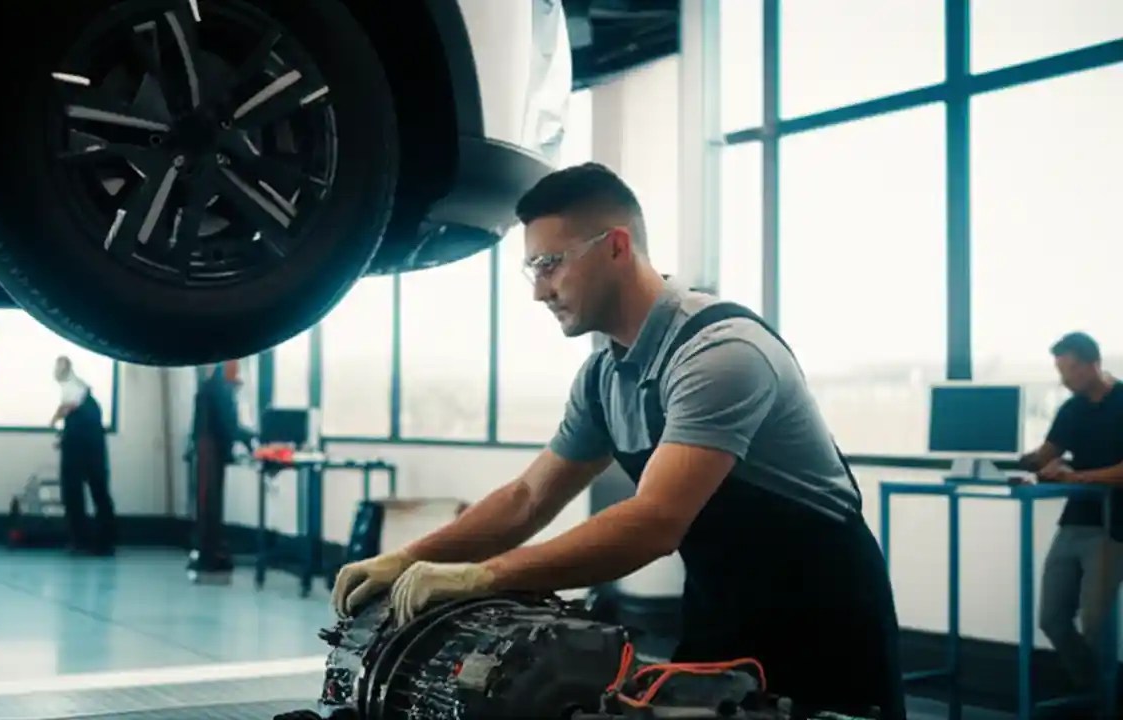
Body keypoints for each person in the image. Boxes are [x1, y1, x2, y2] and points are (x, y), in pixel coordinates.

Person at [331, 163, 906, 719]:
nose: (539, 291)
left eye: (550, 264)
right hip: (718, 611)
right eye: (531, 268)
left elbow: (655, 522)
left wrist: (482, 575)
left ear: (616, 247)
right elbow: (529, 499)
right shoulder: (604, 376)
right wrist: (409, 557)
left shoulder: (720, 354)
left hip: (825, 621)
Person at [1021, 332, 1123, 691]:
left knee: (1095, 622)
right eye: (1059, 371)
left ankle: (1108, 698)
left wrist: (1075, 474)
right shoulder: (1072, 408)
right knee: (1052, 619)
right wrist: (1020, 461)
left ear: (1093, 364)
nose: (1063, 380)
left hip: (1112, 525)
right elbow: (1046, 454)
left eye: (1069, 370)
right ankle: (1097, 693)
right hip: (1074, 522)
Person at [189, 359, 257, 574]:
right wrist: (251, 441)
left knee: (209, 505)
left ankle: (209, 552)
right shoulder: (220, 389)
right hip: (210, 451)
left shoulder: (214, 386)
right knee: (210, 505)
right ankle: (209, 554)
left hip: (208, 450)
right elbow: (229, 424)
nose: (237, 373)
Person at [51, 355, 116, 556]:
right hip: (88, 439)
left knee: (74, 490)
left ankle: (83, 540)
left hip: (83, 440)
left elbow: (68, 407)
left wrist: (53, 420)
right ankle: (99, 540)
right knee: (97, 488)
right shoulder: (79, 389)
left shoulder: (71, 384)